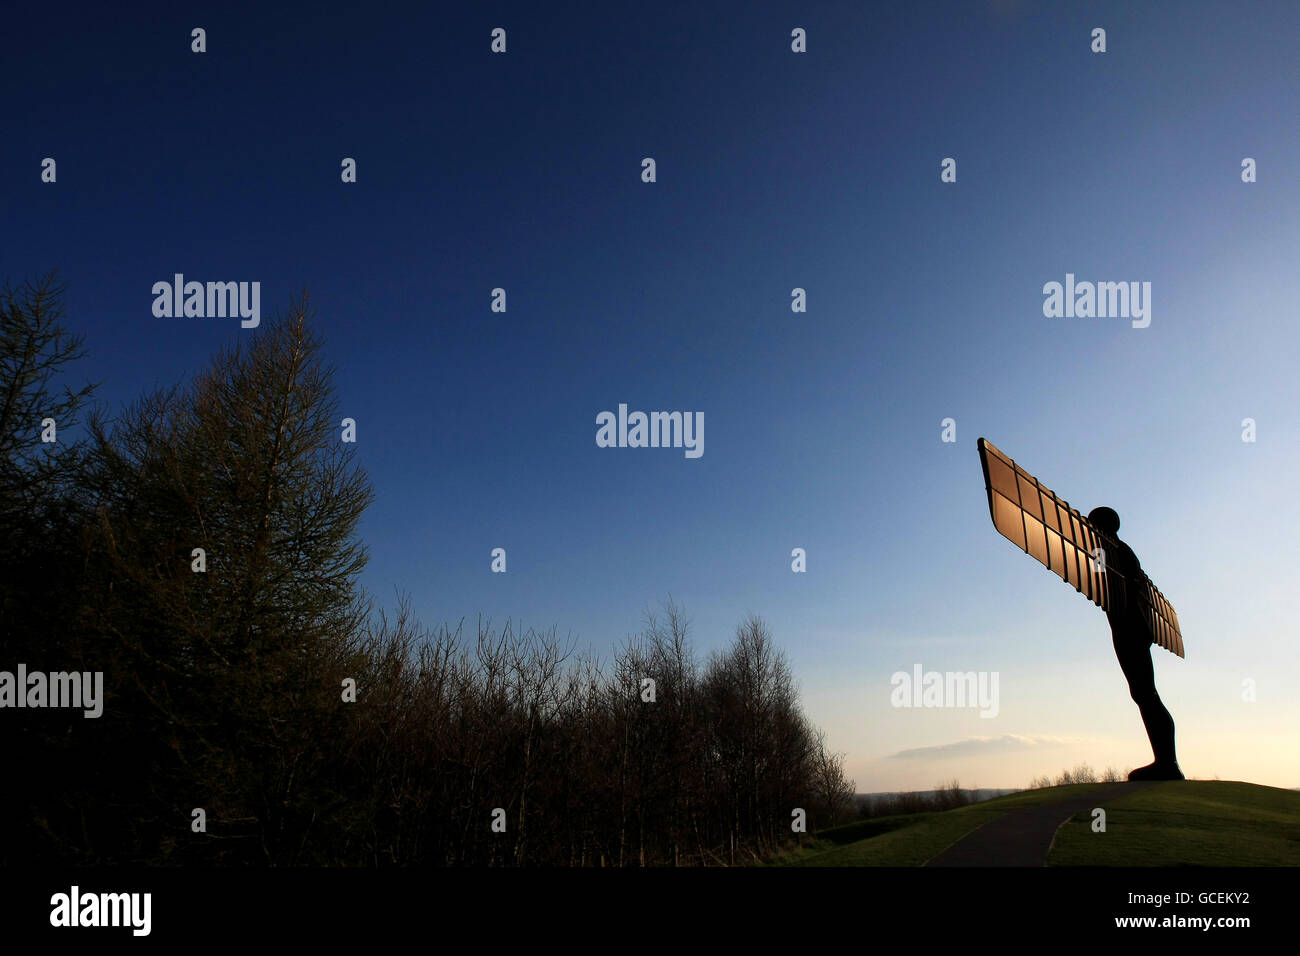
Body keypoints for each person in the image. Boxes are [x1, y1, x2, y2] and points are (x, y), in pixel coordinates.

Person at [1088, 506, 1184, 781]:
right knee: (1144, 693)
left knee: (1145, 694)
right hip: (1133, 627)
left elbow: (1097, 577)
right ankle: (1166, 760)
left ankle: (1167, 763)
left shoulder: (1108, 550)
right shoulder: (1122, 550)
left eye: (1092, 525)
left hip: (1129, 627)